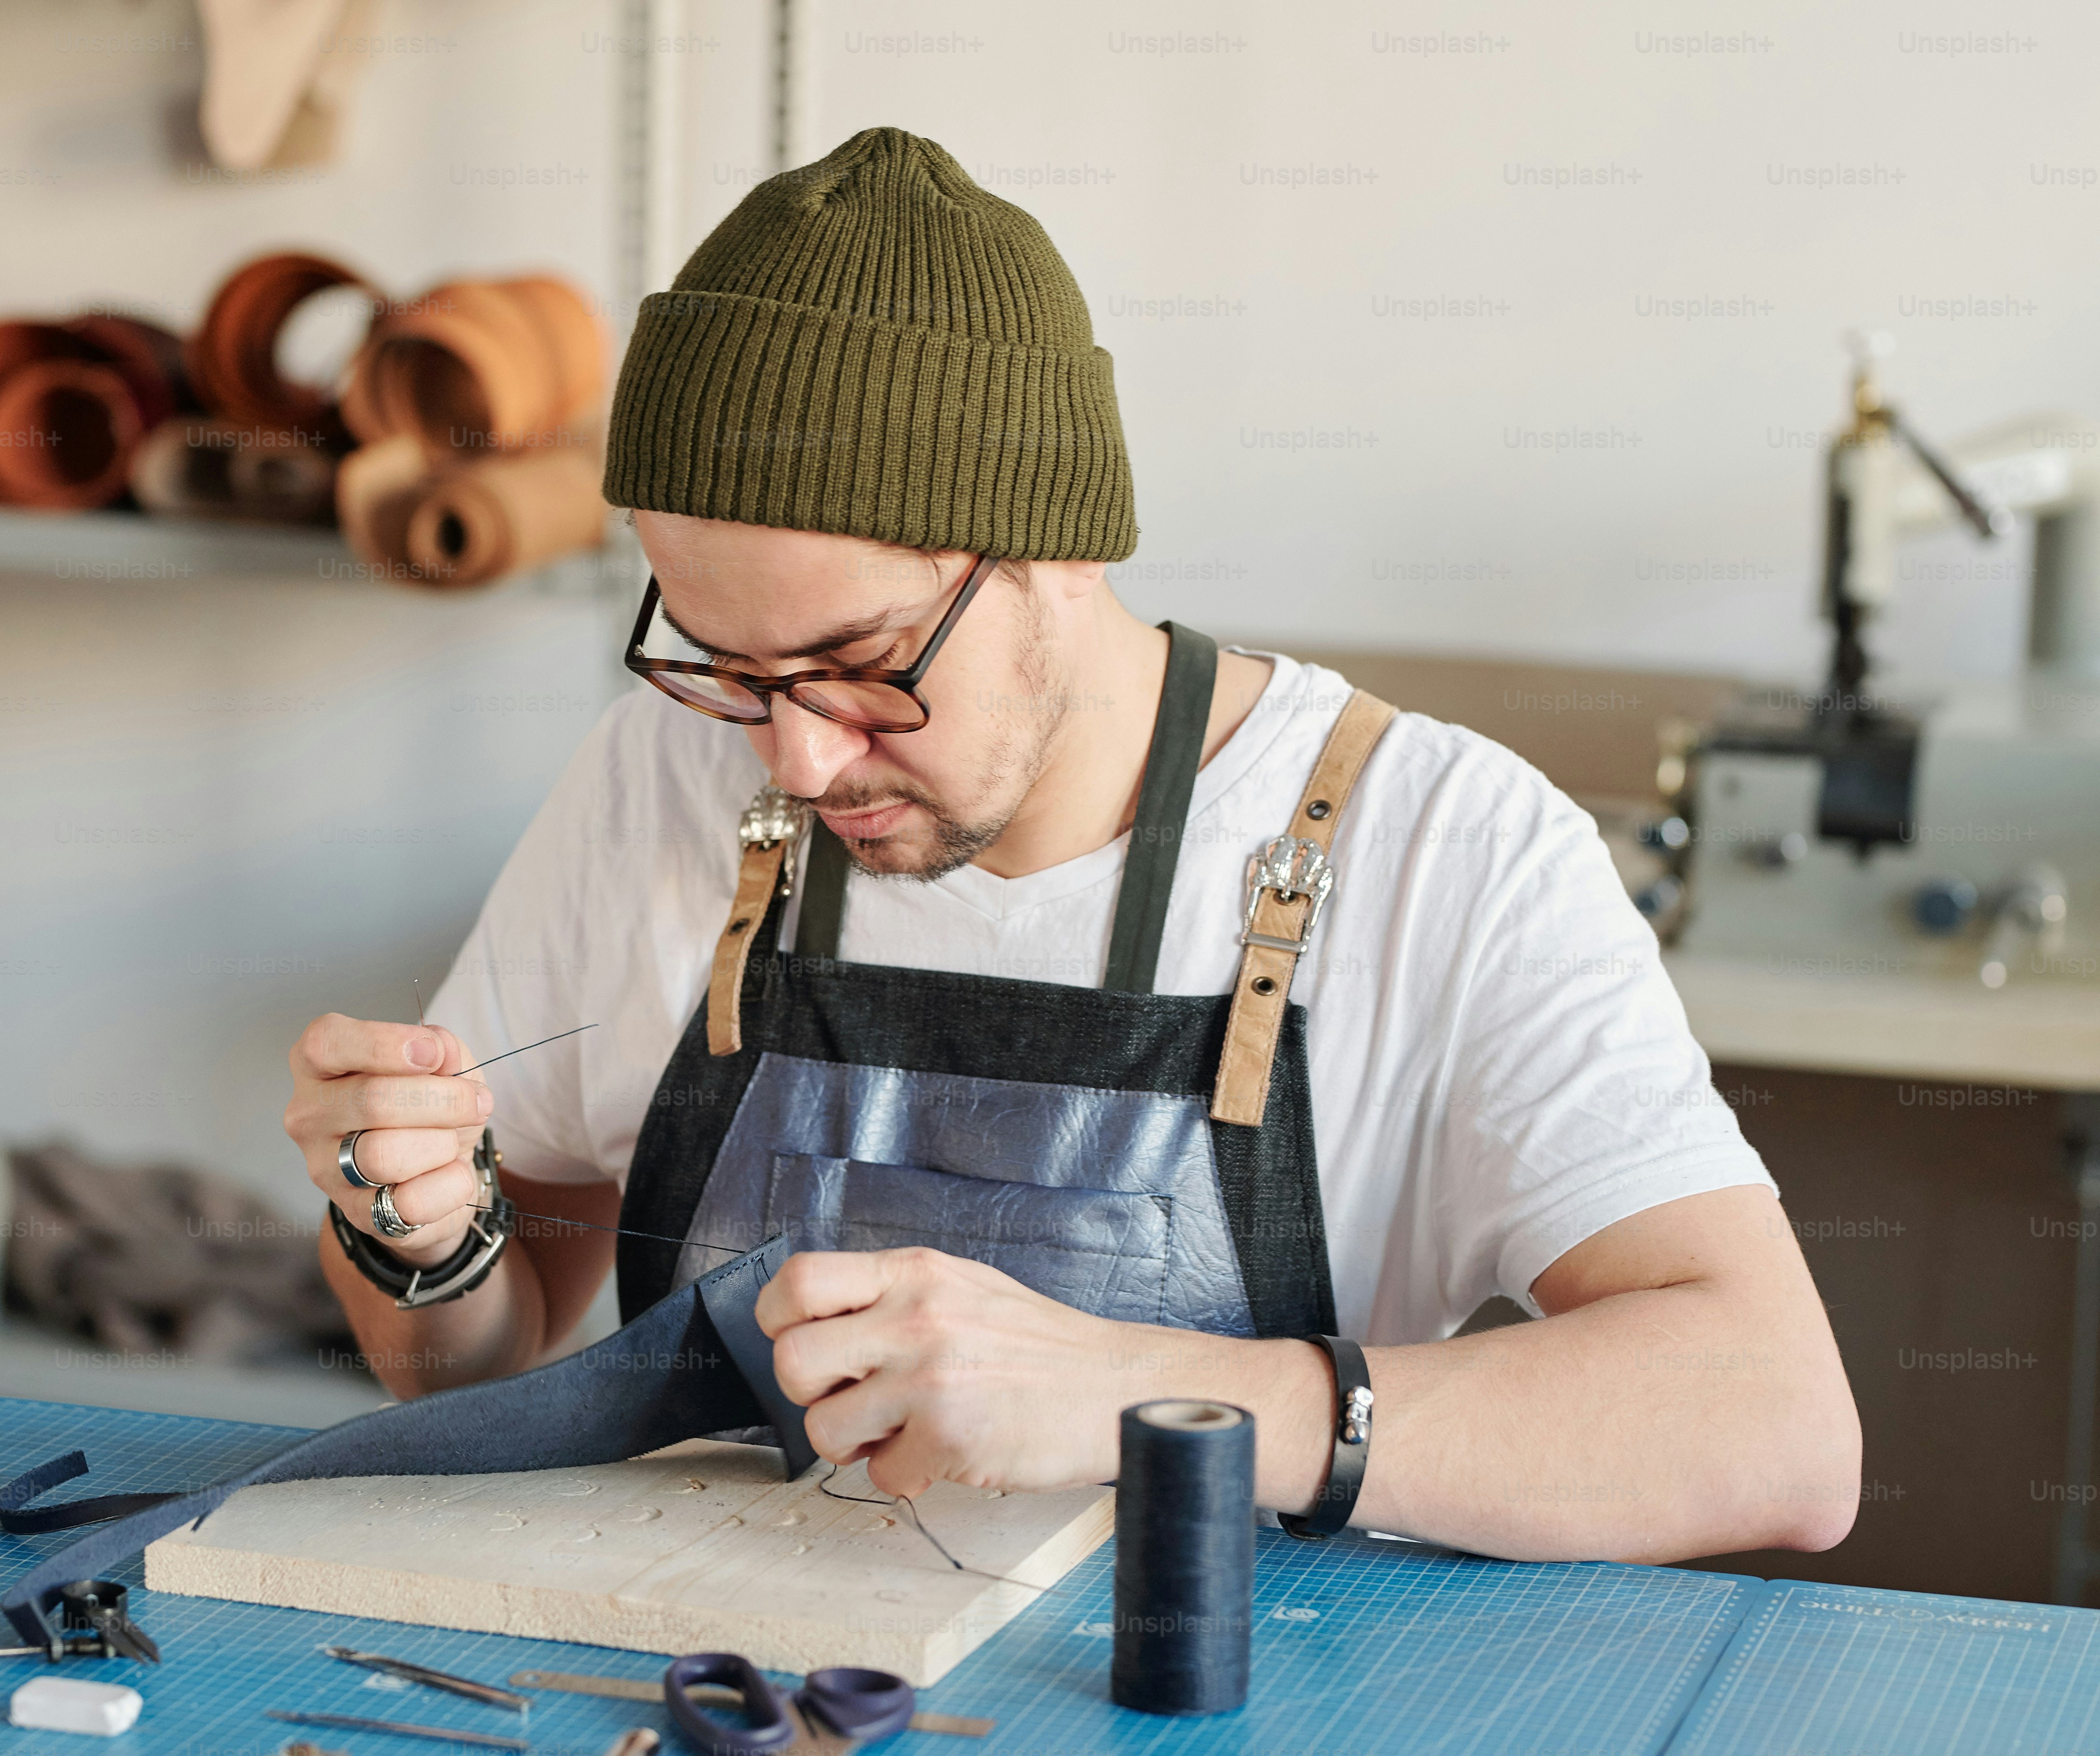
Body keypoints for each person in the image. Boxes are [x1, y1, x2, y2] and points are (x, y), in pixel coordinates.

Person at [282, 126, 1859, 1562]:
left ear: (1056, 554)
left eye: (862, 664)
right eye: (728, 668)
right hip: (722, 1681)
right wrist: (423, 1237)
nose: (799, 754)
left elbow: (1773, 1430)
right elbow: (473, 1361)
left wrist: (1153, 1393)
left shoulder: (1443, 841)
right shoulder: (667, 780)